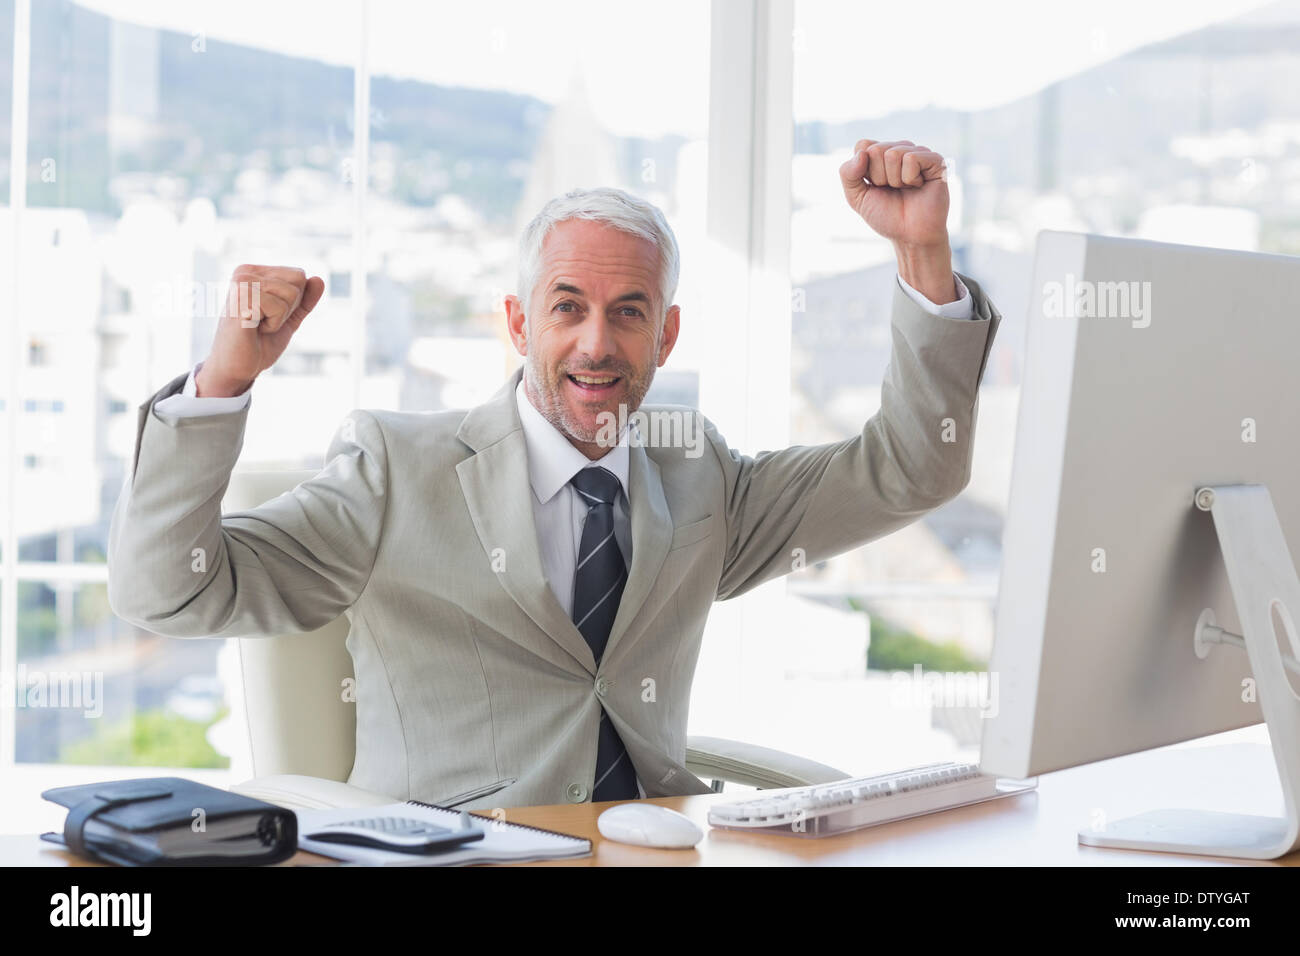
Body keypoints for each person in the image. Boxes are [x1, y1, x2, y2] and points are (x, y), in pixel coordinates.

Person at [108, 139, 1002, 808]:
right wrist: (223, 382)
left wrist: (921, 254)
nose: (595, 343)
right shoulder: (396, 471)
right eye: (566, 308)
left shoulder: (700, 478)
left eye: (628, 312)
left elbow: (910, 468)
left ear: (667, 336)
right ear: (518, 322)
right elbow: (167, 595)